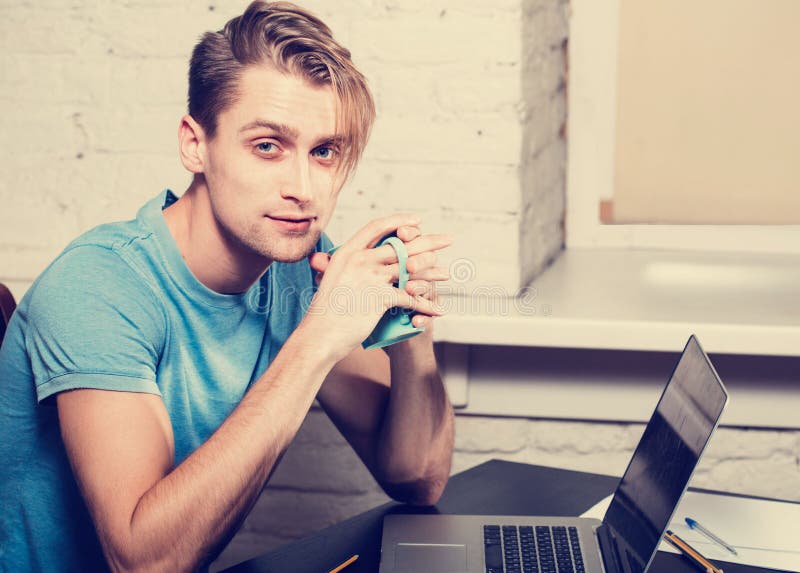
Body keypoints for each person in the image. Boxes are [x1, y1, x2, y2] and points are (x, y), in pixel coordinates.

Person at [0, 2, 455, 571]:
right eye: (268, 146)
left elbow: (417, 478)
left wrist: (409, 332)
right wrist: (317, 339)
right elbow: (143, 563)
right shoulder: (97, 287)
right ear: (195, 145)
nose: (303, 188)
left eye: (323, 152)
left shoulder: (297, 263)